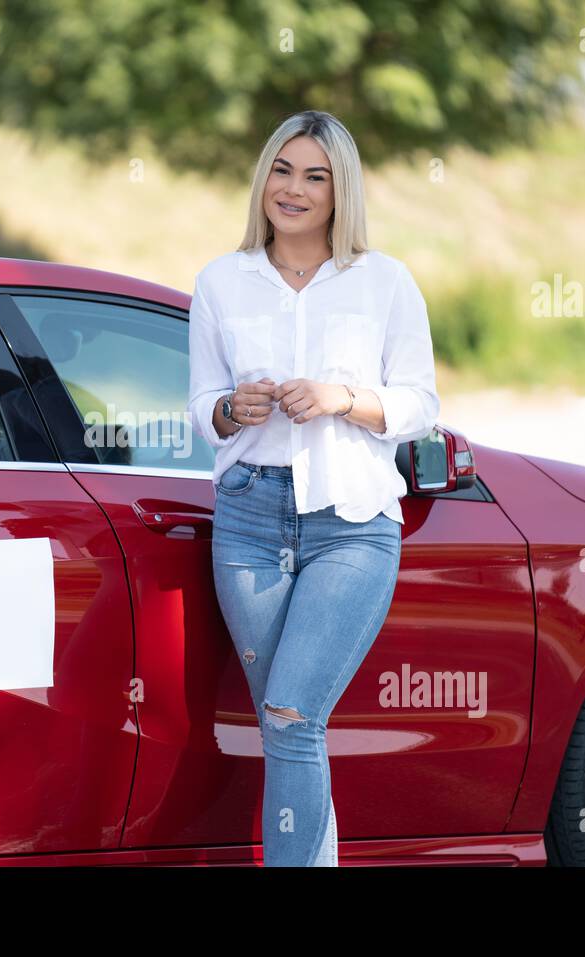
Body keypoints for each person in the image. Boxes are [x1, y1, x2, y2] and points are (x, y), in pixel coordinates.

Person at [186, 109, 440, 866]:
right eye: (282, 170)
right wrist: (235, 409)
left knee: (293, 716)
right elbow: (202, 407)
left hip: (352, 523)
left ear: (341, 193)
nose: (291, 189)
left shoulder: (383, 283)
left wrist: (343, 400)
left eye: (314, 177)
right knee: (287, 727)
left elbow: (421, 403)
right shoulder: (221, 283)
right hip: (249, 521)